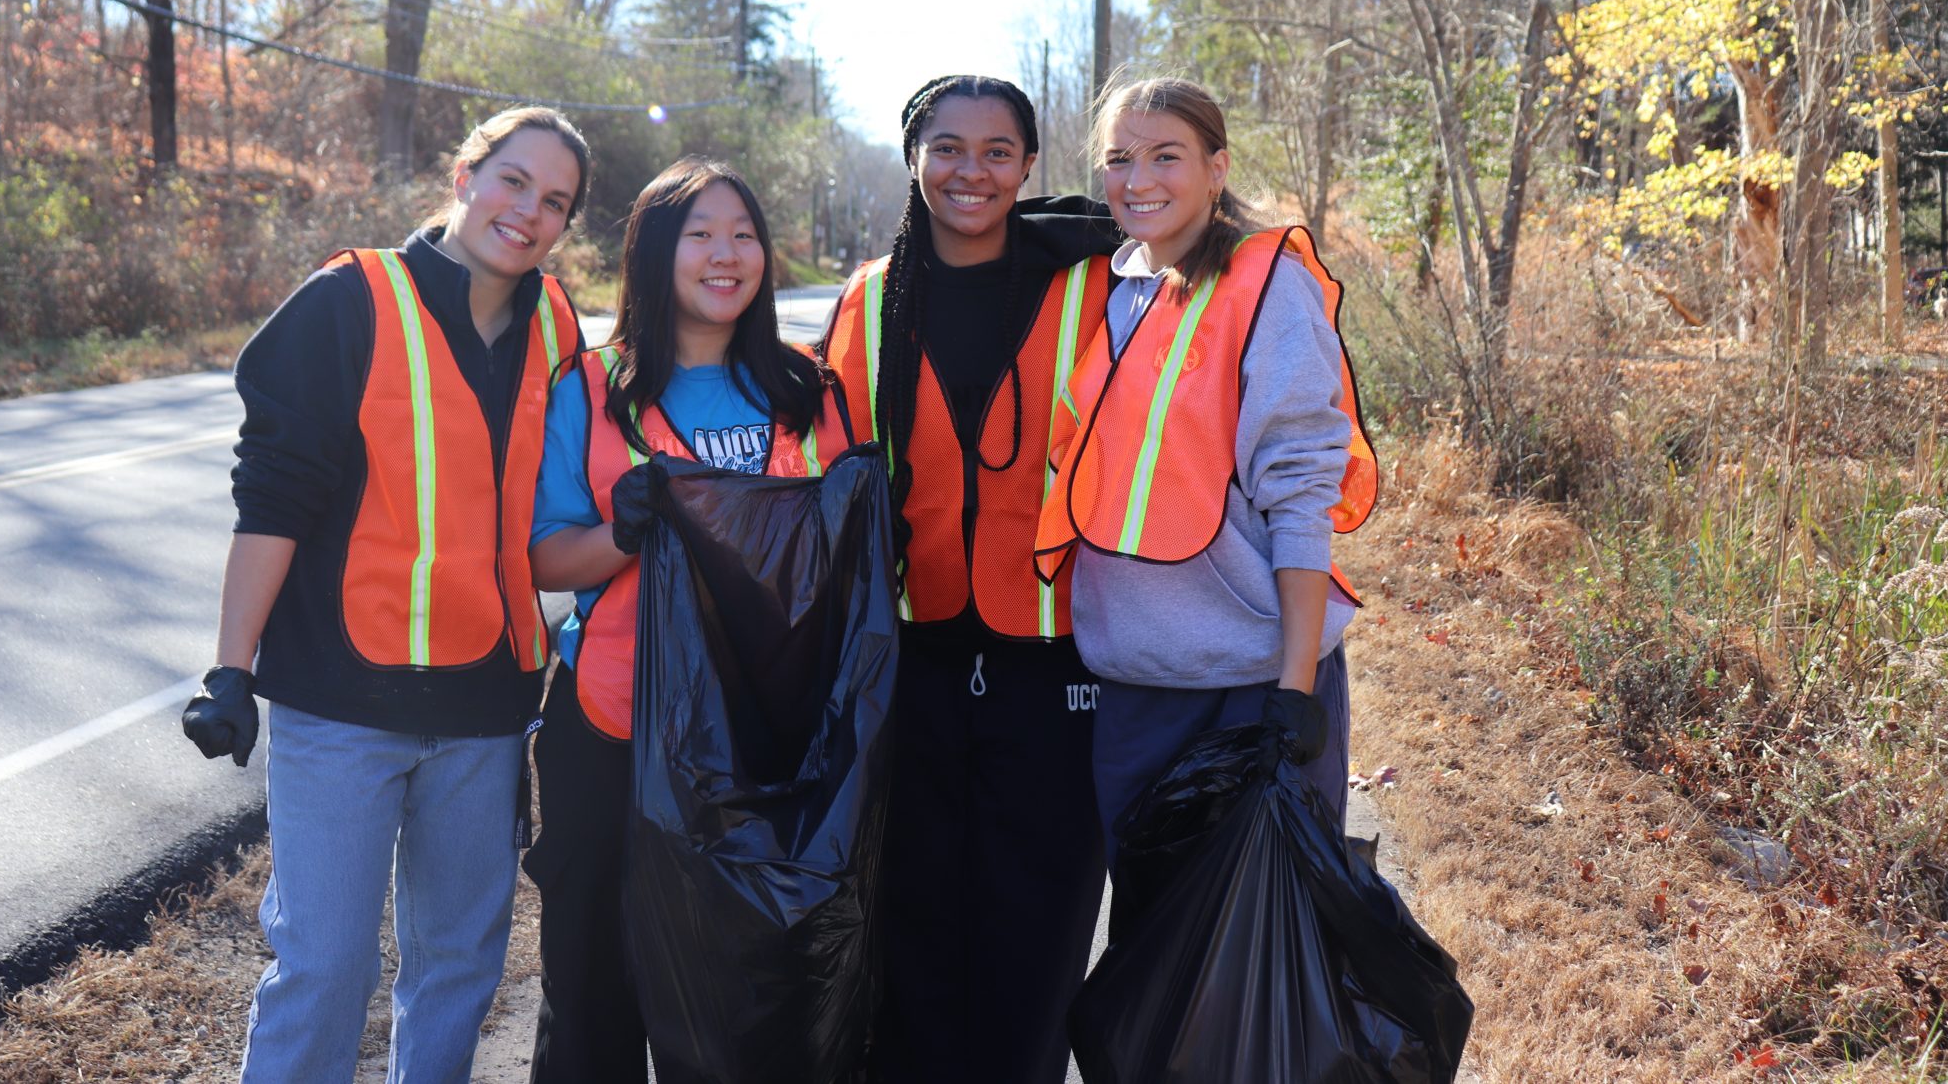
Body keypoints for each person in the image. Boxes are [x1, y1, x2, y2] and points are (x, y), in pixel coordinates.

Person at [179, 106, 590, 1084]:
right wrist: (231, 669)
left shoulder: (561, 328)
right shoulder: (348, 300)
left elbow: (559, 513)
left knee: (458, 963)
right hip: (341, 706)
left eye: (556, 202)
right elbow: (271, 499)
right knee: (324, 965)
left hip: (486, 711)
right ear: (464, 175)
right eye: (513, 181)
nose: (528, 212)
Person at [522, 156, 853, 1084]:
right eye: (701, 233)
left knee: (739, 996)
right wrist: (623, 530)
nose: (726, 253)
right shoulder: (591, 386)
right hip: (616, 729)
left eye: (744, 233)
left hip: (765, 747)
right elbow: (549, 559)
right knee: (593, 989)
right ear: (654, 251)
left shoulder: (807, 389)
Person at [821, 75, 1118, 1084]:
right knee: (909, 914)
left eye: (998, 151)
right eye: (947, 148)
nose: (971, 171)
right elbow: (827, 469)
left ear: (1029, 167)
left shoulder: (1090, 285)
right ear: (912, 157)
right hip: (910, 658)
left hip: (1054, 659)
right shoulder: (869, 297)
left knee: (1033, 923)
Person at [1033, 76, 1377, 924]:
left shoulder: (1268, 287)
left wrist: (1293, 694)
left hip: (1249, 690)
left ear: (1217, 168)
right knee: (1161, 965)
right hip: (1136, 690)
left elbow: (1299, 493)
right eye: (1119, 158)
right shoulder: (1119, 292)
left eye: (1165, 156)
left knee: (1258, 972)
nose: (1137, 178)